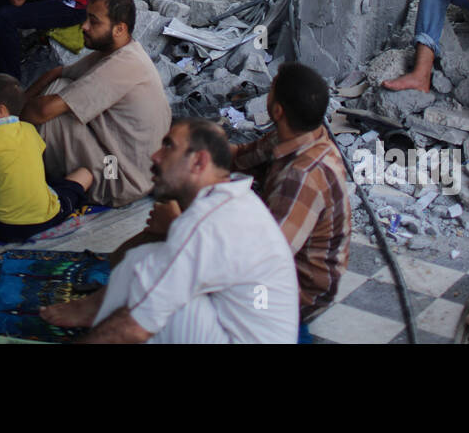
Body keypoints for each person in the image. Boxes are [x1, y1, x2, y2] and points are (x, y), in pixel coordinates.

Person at [39, 119, 299, 344]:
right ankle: (95, 309)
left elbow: (134, 328)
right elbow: (130, 258)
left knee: (153, 305)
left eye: (169, 146)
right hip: (247, 327)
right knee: (149, 262)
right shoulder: (232, 197)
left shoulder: (206, 222)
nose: (156, 156)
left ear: (199, 162)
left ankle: (97, 312)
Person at [21, 0, 171, 207]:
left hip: (119, 178)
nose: (84, 27)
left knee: (51, 117)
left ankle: (20, 170)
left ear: (120, 29)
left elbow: (42, 112)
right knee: (59, 87)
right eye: (86, 18)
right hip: (121, 160)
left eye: (94, 22)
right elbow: (57, 72)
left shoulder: (124, 65)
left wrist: (10, 124)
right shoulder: (117, 51)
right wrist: (24, 100)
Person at [232, 63, 352, 325]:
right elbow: (240, 157)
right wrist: (205, 144)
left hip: (304, 292)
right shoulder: (299, 134)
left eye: (271, 88)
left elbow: (266, 260)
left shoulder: (302, 176)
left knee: (196, 303)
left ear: (277, 110)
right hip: (286, 260)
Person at [0, 74, 94, 242]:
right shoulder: (30, 129)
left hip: (5, 228)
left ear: (0, 110)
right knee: (84, 173)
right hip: (49, 218)